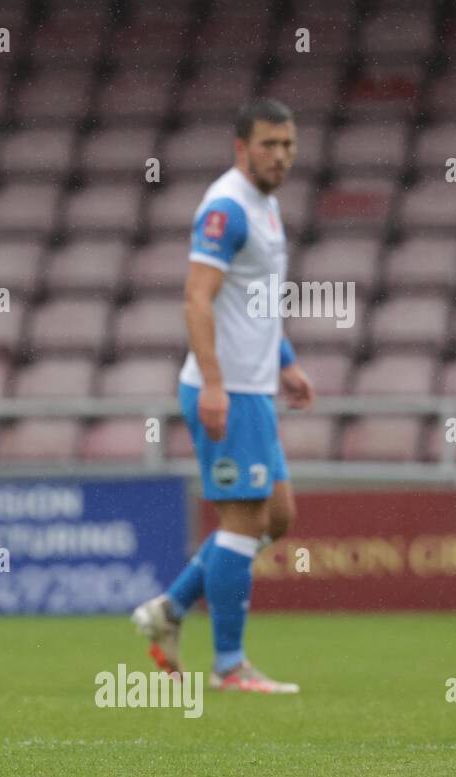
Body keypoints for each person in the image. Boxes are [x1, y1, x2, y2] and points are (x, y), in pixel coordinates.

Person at [132, 99, 315, 694]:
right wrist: (213, 383)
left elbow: (256, 300)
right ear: (242, 147)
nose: (281, 155)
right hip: (228, 390)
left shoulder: (266, 205)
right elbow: (197, 298)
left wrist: (285, 362)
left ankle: (170, 607)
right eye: (269, 144)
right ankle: (230, 666)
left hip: (255, 388)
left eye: (288, 145)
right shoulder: (227, 208)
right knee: (241, 522)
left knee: (276, 517)